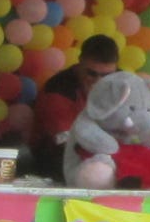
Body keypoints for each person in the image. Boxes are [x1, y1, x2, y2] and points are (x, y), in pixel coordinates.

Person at [34, 34, 120, 183]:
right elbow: (68, 145)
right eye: (91, 73)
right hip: (59, 159)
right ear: (80, 63)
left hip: (108, 155)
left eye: (106, 76)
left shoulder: (122, 84)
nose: (98, 82)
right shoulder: (59, 90)